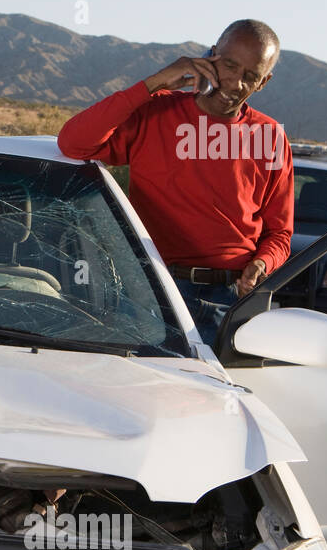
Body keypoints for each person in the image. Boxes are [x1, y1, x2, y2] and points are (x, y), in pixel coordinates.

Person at [57, 19, 293, 345]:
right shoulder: (156, 113)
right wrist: (154, 83)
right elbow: (73, 143)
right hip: (148, 290)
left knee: (217, 395)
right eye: (228, 65)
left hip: (227, 302)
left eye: (250, 76)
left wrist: (262, 264)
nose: (236, 82)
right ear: (210, 56)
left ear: (263, 82)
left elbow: (280, 233)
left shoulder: (270, 137)